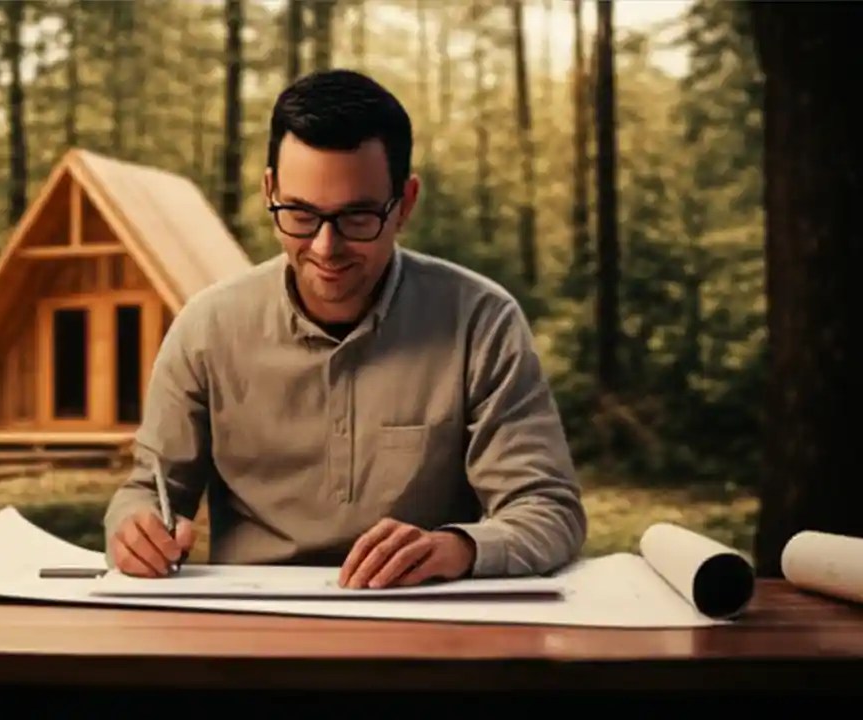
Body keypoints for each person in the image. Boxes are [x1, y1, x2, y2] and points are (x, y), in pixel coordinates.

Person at [102, 69, 586, 589]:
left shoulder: (480, 322)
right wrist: (135, 528)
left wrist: (459, 548)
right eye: (300, 214)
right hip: (251, 615)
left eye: (357, 218)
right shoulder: (206, 329)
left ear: (405, 204)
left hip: (420, 611)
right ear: (269, 191)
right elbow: (146, 491)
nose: (325, 248)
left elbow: (548, 509)